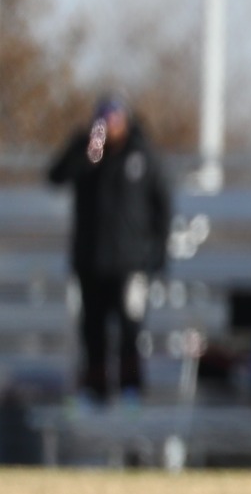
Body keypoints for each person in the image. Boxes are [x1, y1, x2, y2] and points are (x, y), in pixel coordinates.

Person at [46, 95, 172, 404]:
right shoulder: (89, 153)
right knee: (93, 332)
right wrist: (84, 148)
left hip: (131, 264)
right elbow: (57, 176)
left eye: (115, 118)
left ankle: (131, 390)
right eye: (104, 119)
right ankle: (95, 390)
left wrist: (156, 256)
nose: (110, 125)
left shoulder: (142, 157)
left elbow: (163, 209)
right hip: (90, 262)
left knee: (130, 330)